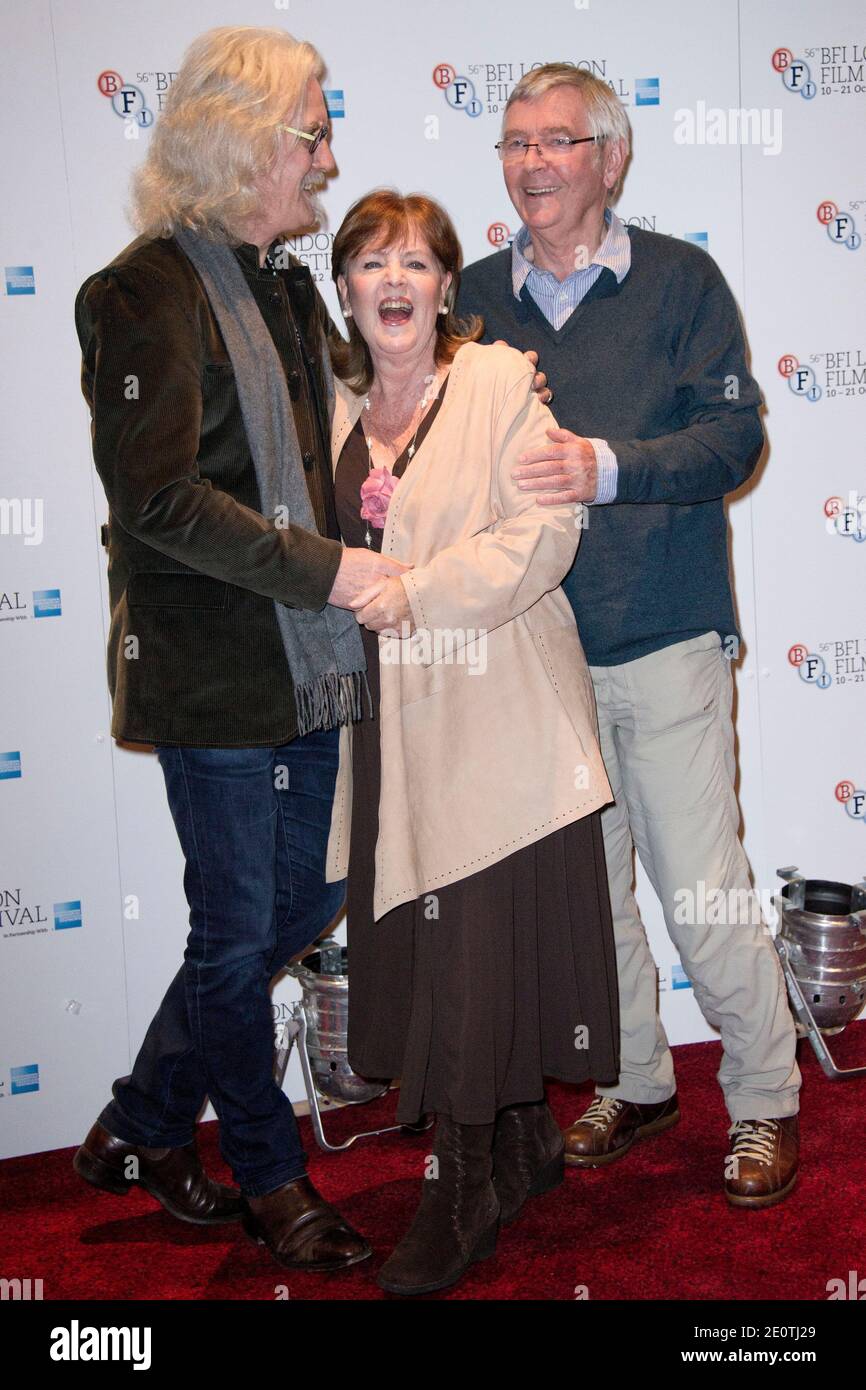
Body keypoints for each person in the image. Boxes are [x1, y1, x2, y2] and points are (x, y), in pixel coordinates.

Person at [72, 26, 415, 1274]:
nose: (327, 155)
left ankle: (147, 1120)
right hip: (216, 669)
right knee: (233, 933)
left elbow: (350, 413)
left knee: (301, 899)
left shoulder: (281, 278)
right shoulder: (142, 292)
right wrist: (328, 567)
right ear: (245, 142)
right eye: (312, 131)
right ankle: (269, 1175)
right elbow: (155, 497)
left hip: (304, 663)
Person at [457, 63, 801, 1208]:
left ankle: (761, 1100)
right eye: (513, 142)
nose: (531, 163)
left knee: (700, 891)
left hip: (660, 639)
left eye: (556, 141)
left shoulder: (681, 282)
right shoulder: (469, 297)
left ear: (610, 159)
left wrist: (604, 468)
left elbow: (729, 446)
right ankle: (638, 1079)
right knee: (590, 901)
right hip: (533, 657)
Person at [324, 188, 621, 1296]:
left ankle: (458, 1195)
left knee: (470, 963)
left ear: (449, 286)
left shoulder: (497, 382)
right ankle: (517, 1141)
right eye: (368, 262)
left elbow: (546, 532)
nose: (392, 281)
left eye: (415, 262)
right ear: (345, 289)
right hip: (393, 735)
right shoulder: (335, 414)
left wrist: (416, 596)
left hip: (495, 729)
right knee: (444, 956)